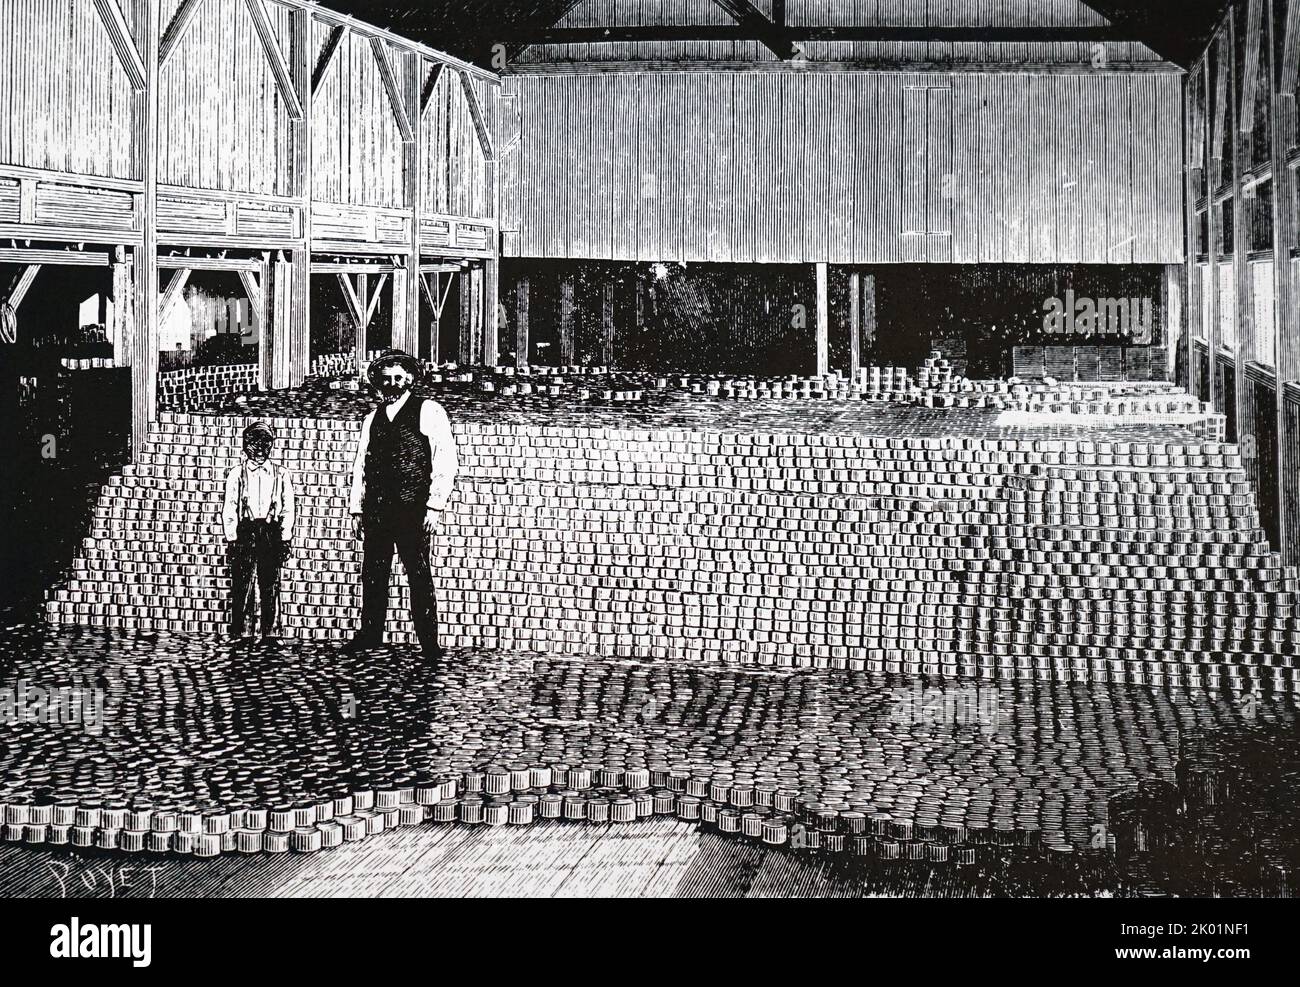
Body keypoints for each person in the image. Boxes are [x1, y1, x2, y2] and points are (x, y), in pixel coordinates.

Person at [347, 351, 458, 658]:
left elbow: (445, 459)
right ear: (379, 382)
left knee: (418, 574)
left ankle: (429, 642)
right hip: (378, 511)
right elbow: (361, 466)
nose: (392, 383)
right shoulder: (372, 419)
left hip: (412, 510)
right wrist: (357, 508)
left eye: (398, 377)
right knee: (373, 573)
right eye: (386, 378)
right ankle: (370, 635)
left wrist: (435, 506)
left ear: (409, 379)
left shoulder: (429, 411)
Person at [221, 421, 295, 641]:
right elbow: (230, 507)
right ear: (246, 445)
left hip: (270, 532)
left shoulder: (281, 474)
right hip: (246, 531)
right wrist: (232, 538)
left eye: (265, 443)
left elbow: (288, 507)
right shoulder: (237, 473)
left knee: (270, 583)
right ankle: (240, 631)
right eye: (255, 443)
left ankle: (272, 632)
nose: (260, 448)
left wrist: (285, 538)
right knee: (242, 583)